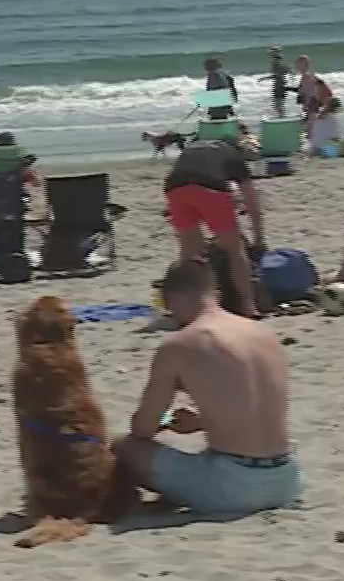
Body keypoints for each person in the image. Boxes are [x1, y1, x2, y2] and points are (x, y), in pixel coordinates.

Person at [112, 258, 302, 516]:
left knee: (124, 447)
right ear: (216, 294)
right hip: (287, 480)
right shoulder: (262, 333)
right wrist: (203, 421)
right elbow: (256, 407)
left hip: (232, 487)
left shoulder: (179, 346)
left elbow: (142, 429)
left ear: (172, 298)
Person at [163, 139, 265, 318]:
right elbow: (252, 203)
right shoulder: (234, 157)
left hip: (174, 187)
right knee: (235, 251)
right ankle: (249, 307)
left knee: (189, 256)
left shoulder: (194, 148)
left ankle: (183, 308)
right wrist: (259, 239)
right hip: (210, 186)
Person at [293, 55, 333, 134]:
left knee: (311, 132)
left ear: (305, 66)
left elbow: (312, 95)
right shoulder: (309, 76)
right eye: (297, 64)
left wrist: (306, 109)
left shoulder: (307, 78)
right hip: (317, 107)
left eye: (299, 64)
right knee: (313, 132)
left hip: (313, 107)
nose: (297, 66)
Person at [267, 47, 289, 120]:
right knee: (278, 104)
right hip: (279, 84)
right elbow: (284, 71)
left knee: (278, 104)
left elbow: (278, 74)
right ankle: (282, 117)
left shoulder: (276, 64)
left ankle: (282, 118)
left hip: (279, 85)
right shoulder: (277, 64)